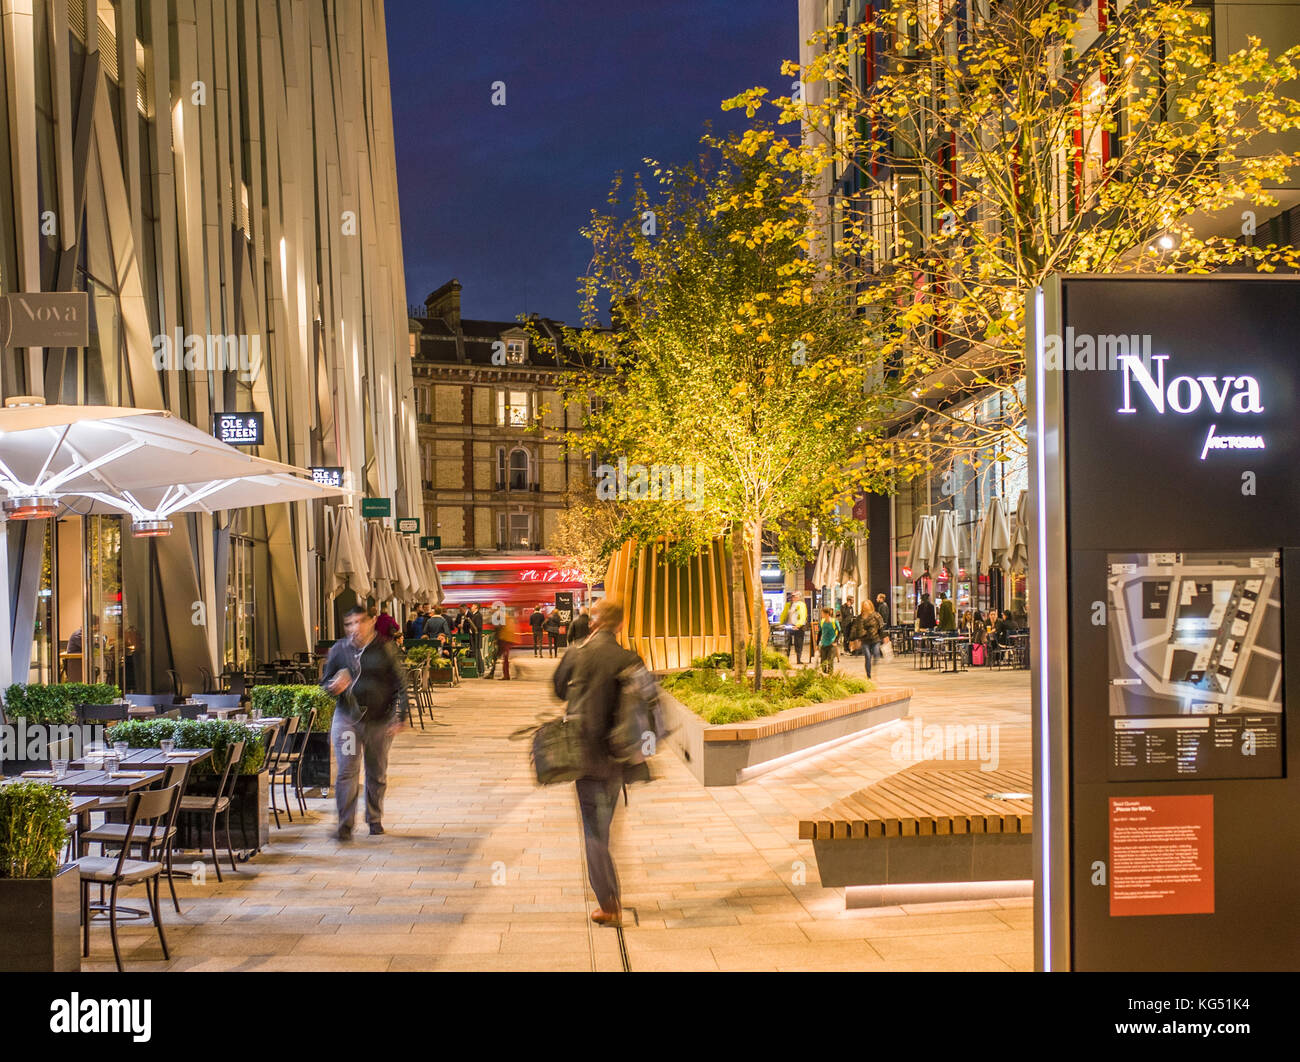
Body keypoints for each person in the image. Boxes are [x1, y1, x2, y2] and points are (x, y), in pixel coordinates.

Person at [552, 598, 650, 927]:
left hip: (584, 754)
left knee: (594, 830)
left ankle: (609, 903)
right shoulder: (629, 658)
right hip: (617, 758)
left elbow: (557, 690)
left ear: (594, 621)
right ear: (620, 625)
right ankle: (610, 895)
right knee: (603, 827)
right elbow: (650, 705)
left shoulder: (578, 652)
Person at [321, 605, 409, 840]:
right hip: (348, 719)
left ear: (371, 622)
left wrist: (401, 716)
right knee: (347, 771)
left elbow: (401, 683)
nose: (354, 628)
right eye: (349, 624)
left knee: (376, 771)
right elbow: (324, 684)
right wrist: (333, 686)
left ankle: (374, 818)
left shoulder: (385, 649)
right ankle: (345, 824)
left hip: (379, 720)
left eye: (360, 622)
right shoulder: (339, 650)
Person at [858, 600, 884, 679]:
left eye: (867, 605)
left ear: (870, 606)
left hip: (875, 639)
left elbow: (881, 626)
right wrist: (856, 639)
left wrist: (884, 636)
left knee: (876, 654)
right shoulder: (860, 617)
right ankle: (868, 675)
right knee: (868, 657)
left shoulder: (876, 615)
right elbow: (857, 628)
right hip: (865, 640)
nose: (866, 607)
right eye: (864, 605)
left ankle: (874, 667)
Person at [785, 593, 808, 665]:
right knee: (787, 643)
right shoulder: (789, 605)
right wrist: (782, 623)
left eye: (795, 597)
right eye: (792, 597)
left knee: (798, 644)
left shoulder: (802, 605)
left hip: (799, 627)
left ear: (798, 597)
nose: (793, 598)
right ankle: (786, 660)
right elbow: (785, 614)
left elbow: (803, 616)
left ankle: (798, 660)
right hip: (790, 626)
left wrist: (798, 625)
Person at [817, 607, 840, 674]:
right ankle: (824, 674)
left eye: (822, 613)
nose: (821, 615)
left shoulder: (834, 621)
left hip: (831, 644)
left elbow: (839, 631)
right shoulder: (822, 621)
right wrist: (817, 643)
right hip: (824, 644)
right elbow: (820, 632)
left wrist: (836, 641)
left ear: (827, 614)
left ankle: (830, 677)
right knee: (823, 662)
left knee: (830, 661)